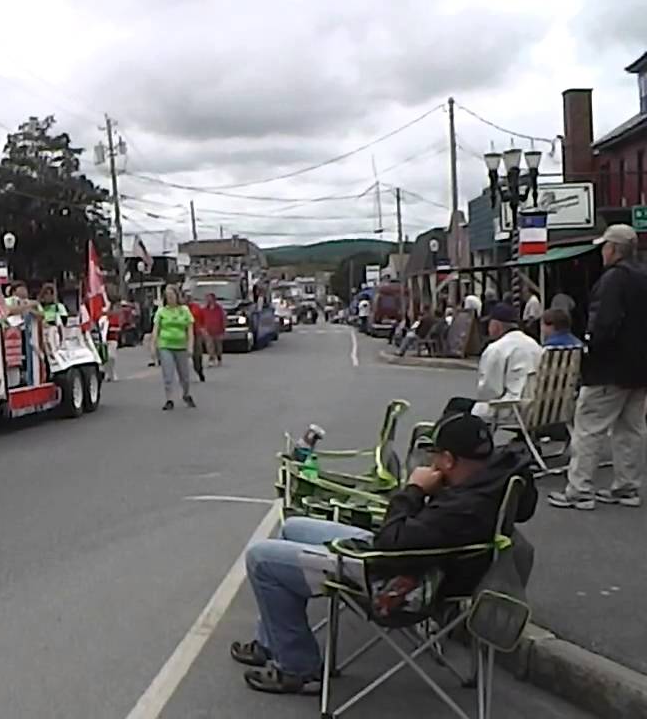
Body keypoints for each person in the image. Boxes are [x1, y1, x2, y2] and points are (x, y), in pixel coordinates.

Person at [231, 412, 536, 694]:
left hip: (397, 580)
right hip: (417, 558)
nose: (430, 464)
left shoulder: (464, 509)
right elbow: (407, 538)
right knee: (294, 528)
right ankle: (272, 643)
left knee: (261, 559)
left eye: (434, 457)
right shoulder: (490, 479)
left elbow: (391, 543)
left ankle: (298, 669)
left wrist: (414, 491)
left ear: (448, 460)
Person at [548, 224, 647, 511]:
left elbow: (604, 322)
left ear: (614, 249)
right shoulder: (642, 276)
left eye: (605, 246)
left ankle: (579, 490)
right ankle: (627, 487)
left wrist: (590, 348)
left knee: (589, 428)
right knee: (631, 429)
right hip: (640, 369)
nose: (602, 251)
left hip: (609, 368)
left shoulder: (613, 280)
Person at [463, 303, 542, 422]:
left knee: (457, 406)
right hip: (536, 406)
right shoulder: (534, 345)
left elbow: (489, 391)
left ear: (496, 326)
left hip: (513, 407)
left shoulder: (497, 348)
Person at [151, 285, 195, 410]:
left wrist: (190, 346)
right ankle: (169, 399)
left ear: (177, 296)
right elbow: (156, 330)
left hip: (181, 345)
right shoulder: (161, 311)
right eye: (167, 296)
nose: (170, 298)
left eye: (172, 296)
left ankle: (186, 394)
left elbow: (190, 330)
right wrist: (153, 346)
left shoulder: (184, 310)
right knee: (168, 374)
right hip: (166, 345)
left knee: (184, 376)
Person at [184, 290, 208, 382]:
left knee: (197, 354)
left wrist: (203, 328)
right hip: (184, 334)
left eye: (189, 297)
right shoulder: (182, 309)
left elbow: (203, 319)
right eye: (186, 297)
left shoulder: (197, 308)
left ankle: (199, 369)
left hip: (196, 333)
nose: (188, 299)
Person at [202, 293, 226, 366]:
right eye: (207, 299)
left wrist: (223, 330)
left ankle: (219, 357)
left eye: (210, 298)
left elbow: (223, 319)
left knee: (218, 347)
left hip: (218, 330)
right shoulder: (204, 309)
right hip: (208, 331)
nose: (208, 300)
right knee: (209, 345)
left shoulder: (219, 308)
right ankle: (211, 358)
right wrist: (203, 329)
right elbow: (202, 319)